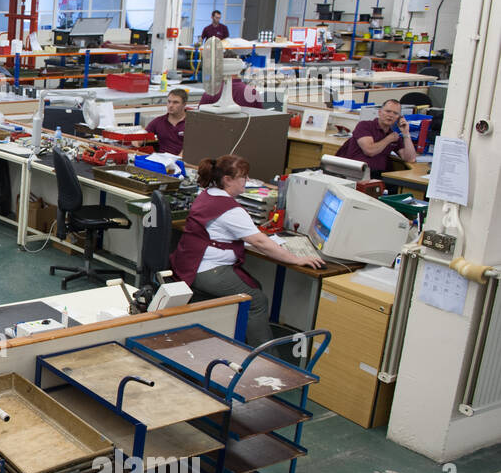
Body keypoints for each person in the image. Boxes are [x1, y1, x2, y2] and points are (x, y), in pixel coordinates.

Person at [170, 154, 324, 348]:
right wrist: (295, 259)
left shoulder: (207, 194)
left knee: (255, 286)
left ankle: (240, 341)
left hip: (188, 263)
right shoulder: (231, 210)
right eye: (243, 177)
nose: (247, 181)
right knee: (256, 300)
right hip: (208, 270)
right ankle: (265, 357)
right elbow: (260, 242)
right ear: (228, 180)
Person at [334, 97, 418, 178]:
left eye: (395, 113)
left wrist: (406, 133)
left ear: (399, 117)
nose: (391, 115)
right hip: (356, 172)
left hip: (377, 174)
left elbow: (410, 159)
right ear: (380, 112)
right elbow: (369, 151)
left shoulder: (394, 135)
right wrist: (389, 139)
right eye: (388, 111)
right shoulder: (365, 126)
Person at [146, 88, 188, 155]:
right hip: (162, 160)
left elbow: (194, 146)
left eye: (175, 102)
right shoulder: (158, 121)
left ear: (184, 104)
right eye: (169, 101)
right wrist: (137, 140)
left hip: (183, 161)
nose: (170, 105)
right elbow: (143, 136)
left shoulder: (192, 123)